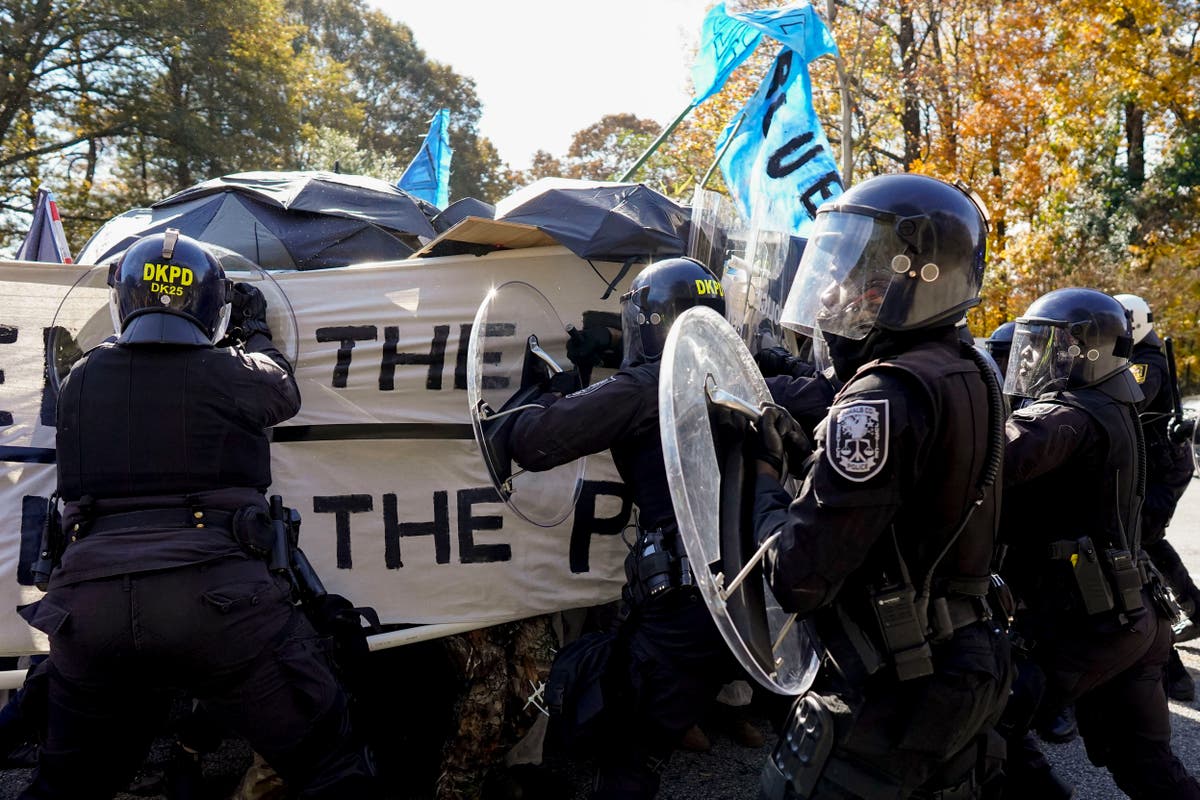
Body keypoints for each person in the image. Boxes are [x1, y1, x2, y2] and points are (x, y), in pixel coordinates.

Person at [18, 230, 377, 799]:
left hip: (88, 609)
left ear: (124, 301)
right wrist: (253, 331)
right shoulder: (232, 372)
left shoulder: (81, 378)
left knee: (65, 785)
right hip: (219, 602)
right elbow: (279, 389)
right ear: (215, 308)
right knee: (329, 767)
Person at [749, 173, 1012, 798]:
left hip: (898, 682)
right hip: (966, 656)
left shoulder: (880, 395)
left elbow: (800, 579)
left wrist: (765, 483)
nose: (833, 291)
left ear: (906, 277)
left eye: (851, 269)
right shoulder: (971, 367)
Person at [506, 256, 735, 799]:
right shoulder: (744, 377)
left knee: (623, 739)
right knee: (655, 726)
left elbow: (533, 441)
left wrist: (547, 388)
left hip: (680, 601)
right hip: (743, 598)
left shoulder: (643, 386)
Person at [999, 287, 1200, 798]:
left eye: (1057, 346)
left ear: (1088, 351)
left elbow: (992, 458)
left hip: (1086, 625)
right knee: (1150, 769)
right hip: (1132, 617)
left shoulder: (1069, 414)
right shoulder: (1109, 402)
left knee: (985, 733)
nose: (1040, 357)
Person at [1115, 292, 1199, 700]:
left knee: (1140, 546)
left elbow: (1130, 399)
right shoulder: (1137, 352)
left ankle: (1166, 661)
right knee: (1148, 541)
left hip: (1165, 469)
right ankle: (1194, 610)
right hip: (1158, 465)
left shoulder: (1146, 361)